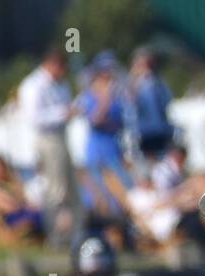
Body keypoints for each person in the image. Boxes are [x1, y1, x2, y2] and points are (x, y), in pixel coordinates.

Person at [18, 47, 81, 244]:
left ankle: (75, 235)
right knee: (56, 191)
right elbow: (34, 118)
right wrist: (63, 113)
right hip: (47, 139)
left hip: (61, 137)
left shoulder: (61, 84)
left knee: (71, 189)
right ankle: (56, 236)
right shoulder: (33, 85)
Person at [76, 52, 132, 214]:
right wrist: (105, 98)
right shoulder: (89, 96)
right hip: (98, 151)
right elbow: (95, 120)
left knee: (122, 190)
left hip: (114, 148)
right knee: (100, 194)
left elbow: (122, 122)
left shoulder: (117, 96)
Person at [127, 47, 173, 159]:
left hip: (160, 129)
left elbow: (166, 101)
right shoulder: (134, 84)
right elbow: (130, 103)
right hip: (144, 132)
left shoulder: (157, 82)